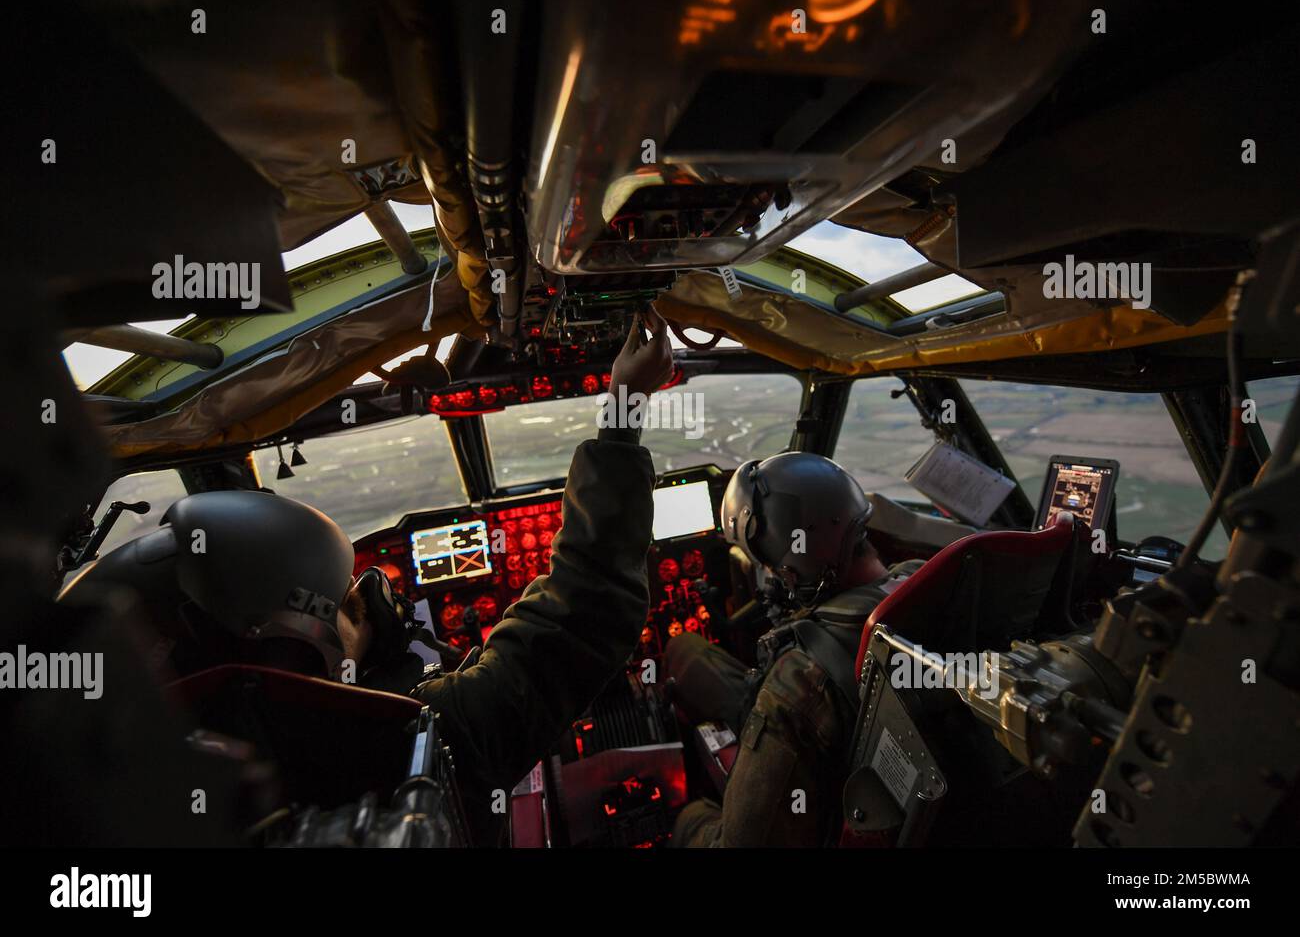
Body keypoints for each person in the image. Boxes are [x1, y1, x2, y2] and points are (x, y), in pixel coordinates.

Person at [61, 308, 675, 846]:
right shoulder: (407, 736)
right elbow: (584, 610)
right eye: (348, 608)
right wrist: (622, 413)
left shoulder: (127, 797)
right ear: (294, 650)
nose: (371, 601)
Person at [666, 451, 924, 847]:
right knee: (685, 649)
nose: (768, 574)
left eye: (769, 565)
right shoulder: (922, 581)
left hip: (816, 743)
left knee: (687, 817)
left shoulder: (797, 683)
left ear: (792, 570)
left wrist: (689, 820)